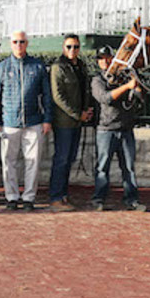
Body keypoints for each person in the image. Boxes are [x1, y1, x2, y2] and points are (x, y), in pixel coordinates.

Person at [0, 30, 52, 211]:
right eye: (15, 42)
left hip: (34, 122)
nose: (19, 45)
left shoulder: (37, 66)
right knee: (9, 162)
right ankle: (12, 197)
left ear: (27, 43)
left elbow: (47, 95)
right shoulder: (2, 68)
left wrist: (47, 119)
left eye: (22, 42)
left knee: (33, 162)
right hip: (9, 123)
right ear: (11, 43)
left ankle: (29, 198)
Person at [91, 47, 146, 212]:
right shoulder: (97, 80)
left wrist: (137, 88)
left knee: (129, 168)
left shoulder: (124, 77)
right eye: (101, 59)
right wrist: (127, 87)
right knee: (102, 167)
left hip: (126, 129)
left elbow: (140, 100)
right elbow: (105, 98)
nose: (105, 61)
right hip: (106, 130)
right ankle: (98, 199)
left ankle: (132, 200)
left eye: (108, 58)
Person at [49, 34, 93, 211]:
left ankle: (63, 195)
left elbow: (84, 91)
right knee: (61, 159)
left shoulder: (80, 66)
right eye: (69, 47)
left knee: (69, 159)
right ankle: (55, 198)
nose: (72, 50)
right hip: (64, 122)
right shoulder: (58, 67)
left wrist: (87, 110)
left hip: (77, 122)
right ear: (63, 47)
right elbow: (58, 97)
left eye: (75, 47)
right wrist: (78, 114)